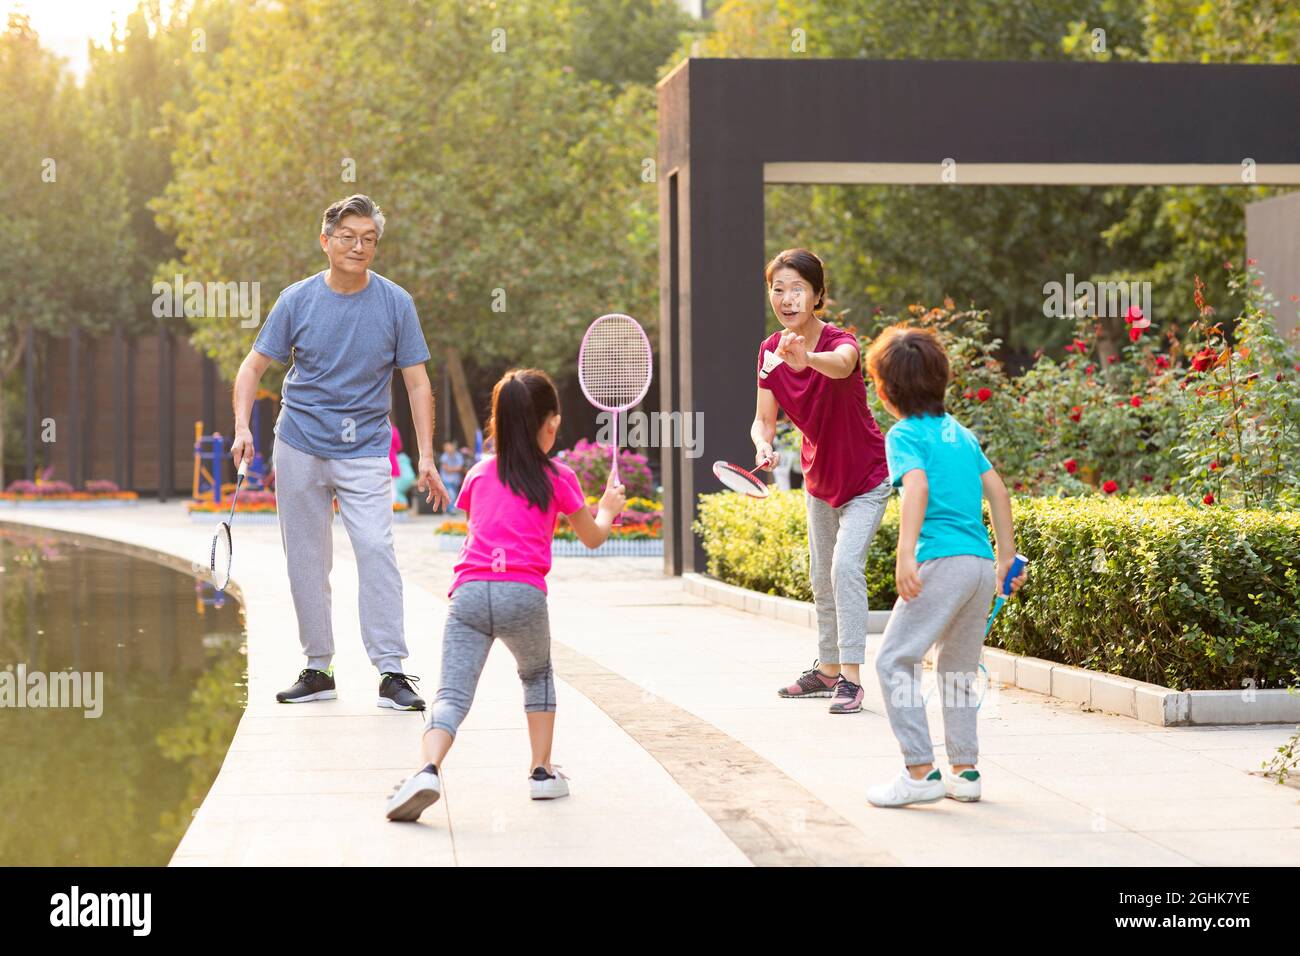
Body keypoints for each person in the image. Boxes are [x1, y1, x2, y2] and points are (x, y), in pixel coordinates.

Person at [231, 194, 451, 712]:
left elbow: (417, 384)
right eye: (349, 237)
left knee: (376, 550)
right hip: (299, 442)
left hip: (366, 448)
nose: (359, 247)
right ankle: (318, 667)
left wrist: (426, 457)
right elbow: (251, 368)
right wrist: (242, 426)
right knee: (306, 560)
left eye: (369, 239)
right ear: (326, 241)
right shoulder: (296, 300)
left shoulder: (396, 303)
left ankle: (392, 671)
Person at [385, 368, 626, 820]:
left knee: (452, 694)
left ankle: (427, 770)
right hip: (523, 595)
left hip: (470, 594)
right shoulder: (558, 477)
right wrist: (607, 509)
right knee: (537, 676)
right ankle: (541, 772)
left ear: (498, 422)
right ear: (551, 424)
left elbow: (481, 522)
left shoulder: (478, 474)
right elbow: (593, 537)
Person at [862, 325, 1026, 807]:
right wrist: (1005, 559)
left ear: (886, 391)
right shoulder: (961, 432)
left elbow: (915, 487)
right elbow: (999, 492)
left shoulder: (903, 434)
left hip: (941, 562)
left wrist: (905, 553)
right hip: (978, 567)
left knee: (894, 659)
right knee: (956, 670)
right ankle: (965, 771)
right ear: (942, 380)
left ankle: (919, 771)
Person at [752, 249, 892, 714]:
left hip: (866, 477)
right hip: (820, 479)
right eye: (778, 288)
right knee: (820, 577)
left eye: (797, 289)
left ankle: (851, 679)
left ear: (817, 296)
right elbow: (763, 420)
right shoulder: (769, 352)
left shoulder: (838, 341)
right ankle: (827, 668)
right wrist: (763, 445)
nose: (787, 298)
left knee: (844, 568)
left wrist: (806, 357)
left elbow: (845, 365)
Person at [438, 441, 466, 514]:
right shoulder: (444, 456)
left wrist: (451, 469)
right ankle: (450, 510)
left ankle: (448, 510)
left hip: (455, 480)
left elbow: (460, 468)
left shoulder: (458, 455)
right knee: (451, 494)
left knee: (452, 495)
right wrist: (454, 469)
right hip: (446, 480)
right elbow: (446, 469)